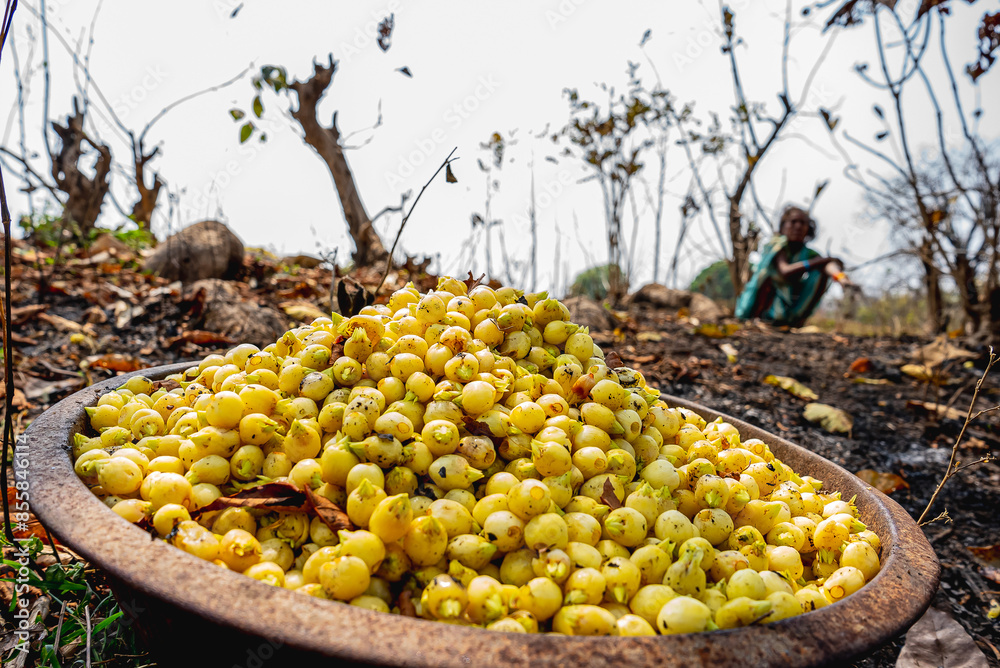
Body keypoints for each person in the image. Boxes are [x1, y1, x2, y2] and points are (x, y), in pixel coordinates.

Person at [734, 205, 854, 327]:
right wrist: (821, 261)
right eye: (793, 222)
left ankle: (795, 320)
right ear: (783, 226)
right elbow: (785, 271)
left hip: (789, 304)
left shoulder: (808, 254)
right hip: (762, 302)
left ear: (808, 229)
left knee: (819, 273)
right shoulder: (776, 244)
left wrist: (842, 278)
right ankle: (762, 317)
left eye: (803, 223)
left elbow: (828, 265)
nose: (798, 226)